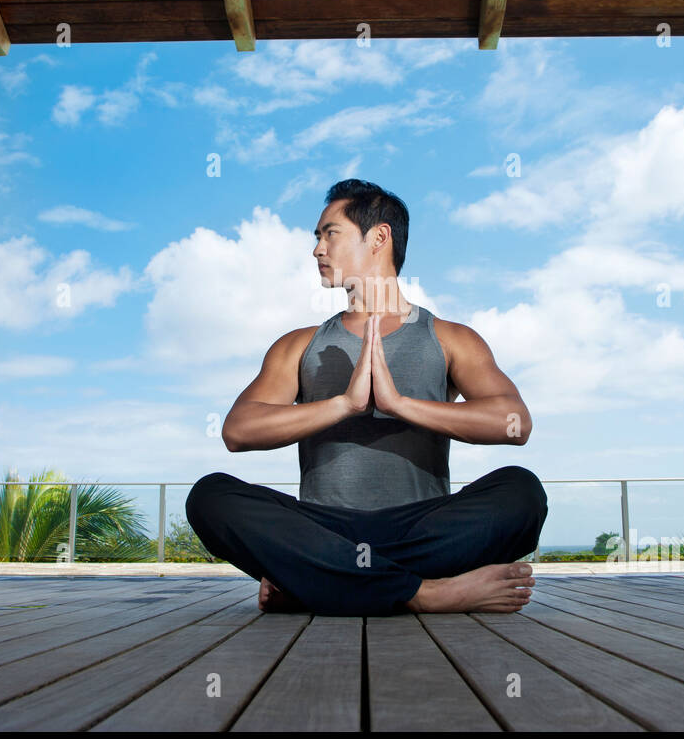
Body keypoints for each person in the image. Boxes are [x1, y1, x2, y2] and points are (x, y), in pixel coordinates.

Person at [185, 179, 547, 615]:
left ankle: (320, 581)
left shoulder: (451, 338)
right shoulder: (299, 344)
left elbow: (515, 423)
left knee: (522, 491)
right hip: (324, 530)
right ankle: (426, 593)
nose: (317, 250)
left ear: (379, 237)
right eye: (317, 238)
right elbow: (237, 431)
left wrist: (399, 404)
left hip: (421, 527)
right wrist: (344, 404)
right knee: (209, 497)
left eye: (329, 233)